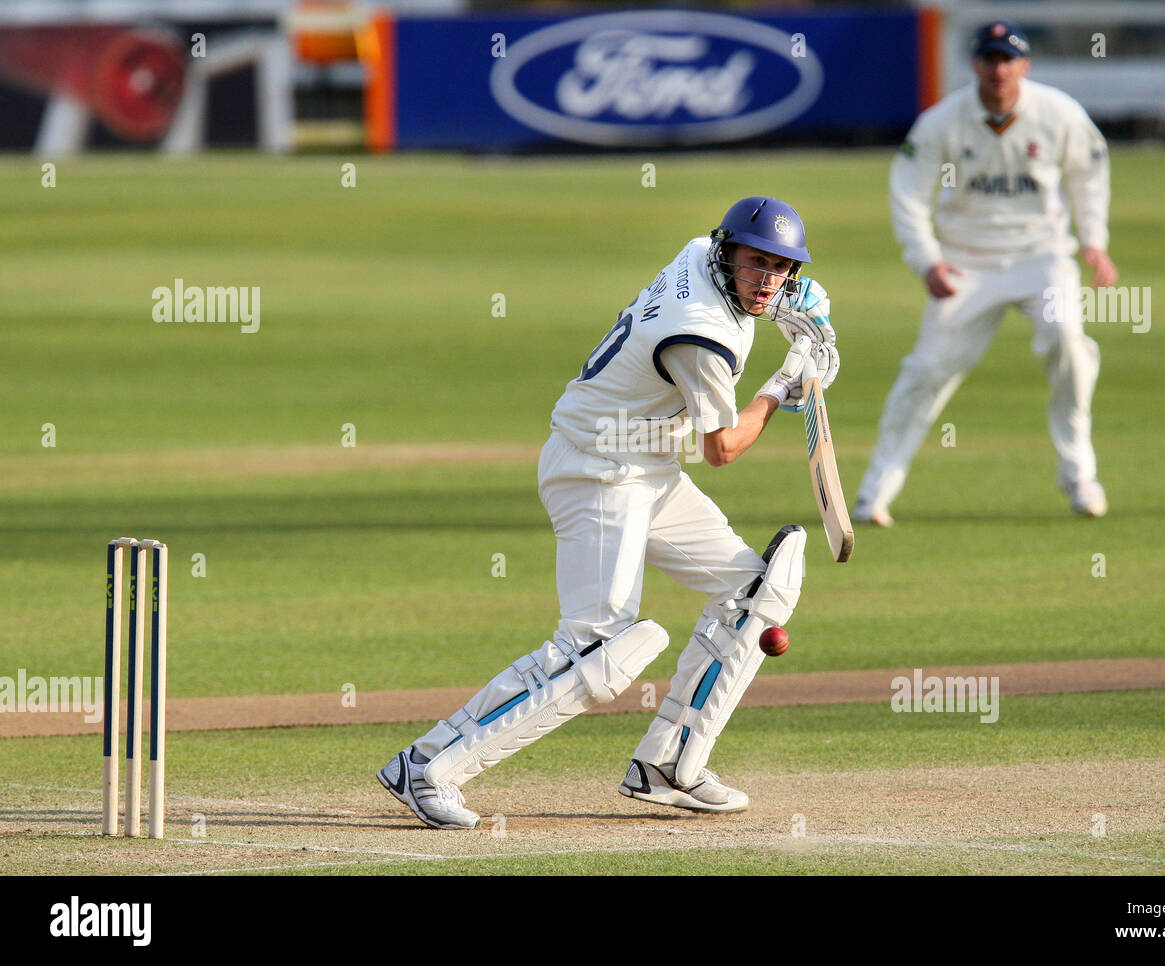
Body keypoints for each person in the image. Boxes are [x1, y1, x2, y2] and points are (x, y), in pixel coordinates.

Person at [378, 197, 839, 828]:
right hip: (596, 471)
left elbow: (760, 291)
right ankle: (427, 766)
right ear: (726, 253)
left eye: (782, 268)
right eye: (756, 263)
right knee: (599, 647)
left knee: (755, 589)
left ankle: (668, 765)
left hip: (645, 463)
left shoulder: (700, 259)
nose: (768, 280)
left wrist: (791, 302)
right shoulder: (698, 333)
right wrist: (785, 380)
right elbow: (722, 449)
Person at [854, 20, 1117, 527]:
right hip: (966, 262)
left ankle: (1079, 474)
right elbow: (908, 193)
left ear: (1024, 65)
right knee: (928, 370)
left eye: (1008, 59)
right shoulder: (942, 122)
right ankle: (875, 492)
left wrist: (1094, 243)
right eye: (990, 59)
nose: (999, 69)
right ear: (975, 64)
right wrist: (926, 260)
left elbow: (1089, 172)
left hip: (1042, 256)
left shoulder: (1057, 113)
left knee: (1067, 341)